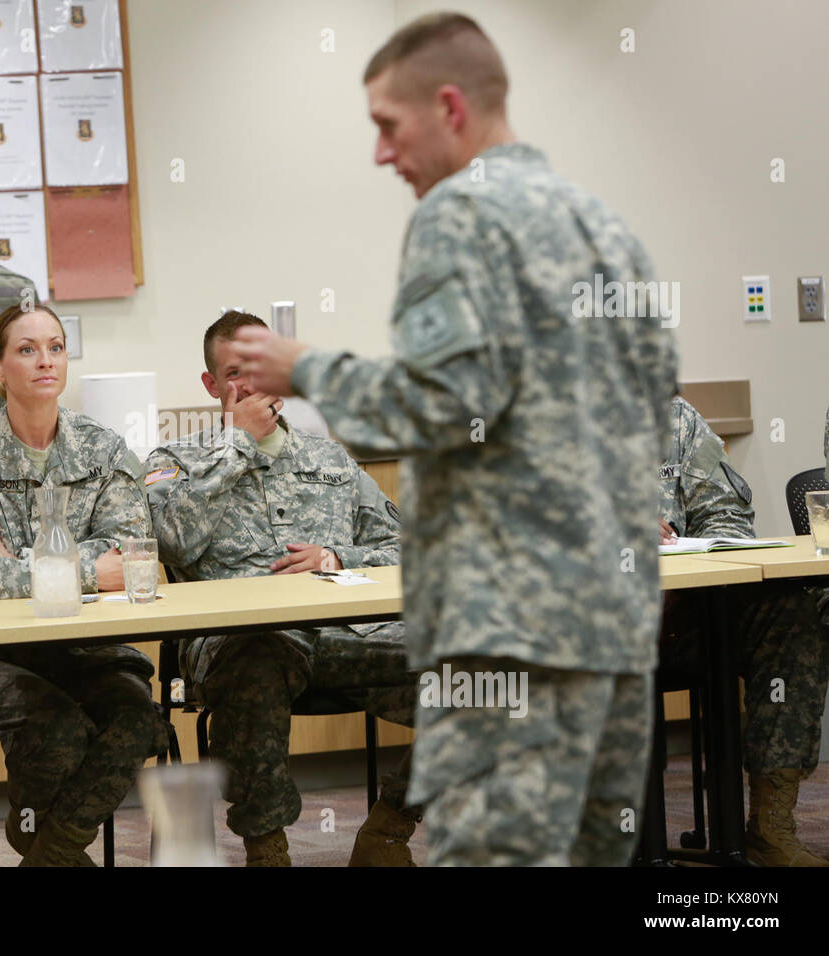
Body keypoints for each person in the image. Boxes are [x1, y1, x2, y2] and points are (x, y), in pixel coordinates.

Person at [233, 13, 678, 865]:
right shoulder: (605, 229)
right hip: (614, 629)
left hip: (502, 629)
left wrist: (310, 369)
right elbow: (652, 407)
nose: (380, 154)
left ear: (448, 107)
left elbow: (443, 403)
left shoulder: (458, 215)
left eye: (386, 126)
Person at [145, 311, 421, 867]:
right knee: (257, 655)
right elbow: (173, 544)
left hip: (350, 634)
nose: (249, 385)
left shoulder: (330, 459)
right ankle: (267, 849)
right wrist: (237, 444)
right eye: (232, 374)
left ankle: (390, 828)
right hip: (241, 644)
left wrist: (338, 555)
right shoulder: (175, 460)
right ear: (211, 386)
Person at [0, 303, 165, 866]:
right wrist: (76, 571)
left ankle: (45, 850)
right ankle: (48, 846)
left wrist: (12, 558)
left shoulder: (103, 450)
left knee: (135, 722)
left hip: (83, 650)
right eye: (27, 350)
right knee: (53, 724)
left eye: (55, 347)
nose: (45, 360)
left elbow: (129, 561)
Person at [659, 396, 828, 866]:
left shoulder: (674, 418)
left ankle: (769, 826)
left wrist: (686, 569)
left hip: (678, 618)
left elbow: (727, 519)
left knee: (787, 614)